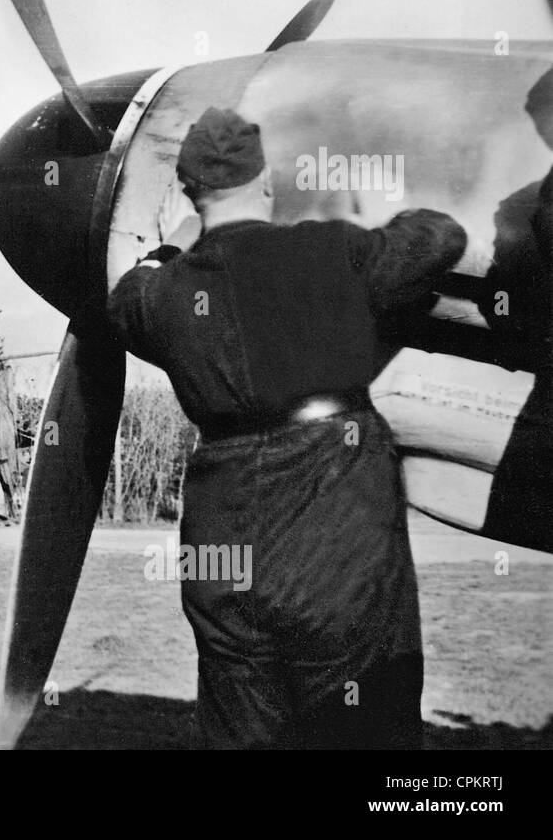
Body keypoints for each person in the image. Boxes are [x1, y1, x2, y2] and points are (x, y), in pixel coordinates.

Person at [109, 106, 467, 748]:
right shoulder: (332, 252)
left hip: (221, 546)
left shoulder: (158, 297)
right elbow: (440, 236)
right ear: (266, 182)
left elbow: (127, 294)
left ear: (189, 194)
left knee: (239, 721)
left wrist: (169, 245)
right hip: (337, 534)